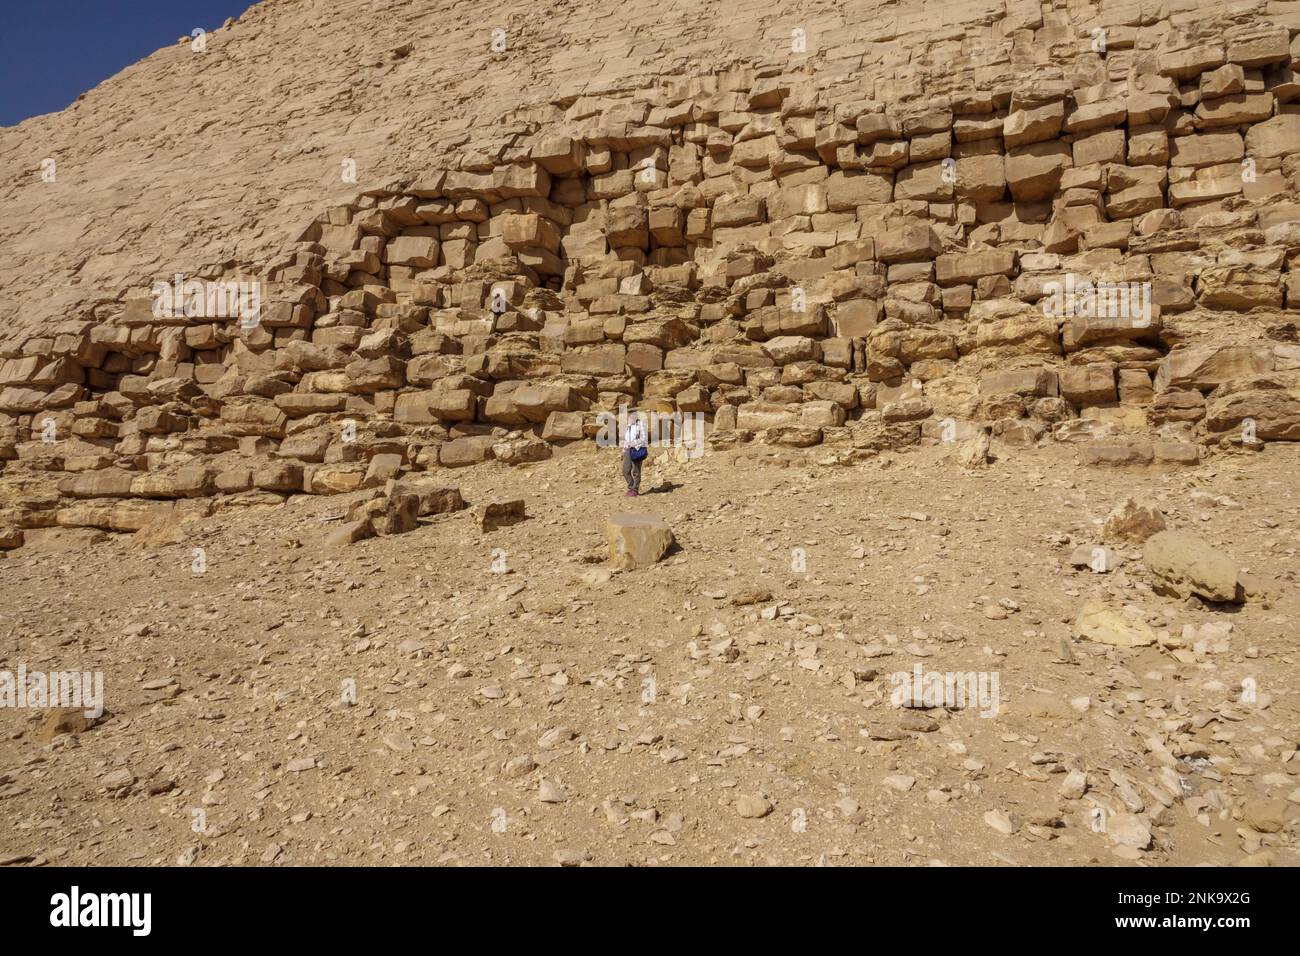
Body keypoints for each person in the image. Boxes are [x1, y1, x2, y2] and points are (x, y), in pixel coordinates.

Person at [622, 410, 648, 496]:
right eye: (630, 416)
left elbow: (644, 438)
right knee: (625, 470)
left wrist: (634, 443)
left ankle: (634, 489)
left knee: (635, 471)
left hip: (637, 449)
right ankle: (631, 486)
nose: (632, 418)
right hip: (627, 450)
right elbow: (626, 439)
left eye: (634, 416)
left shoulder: (640, 425)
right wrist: (623, 449)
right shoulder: (628, 426)